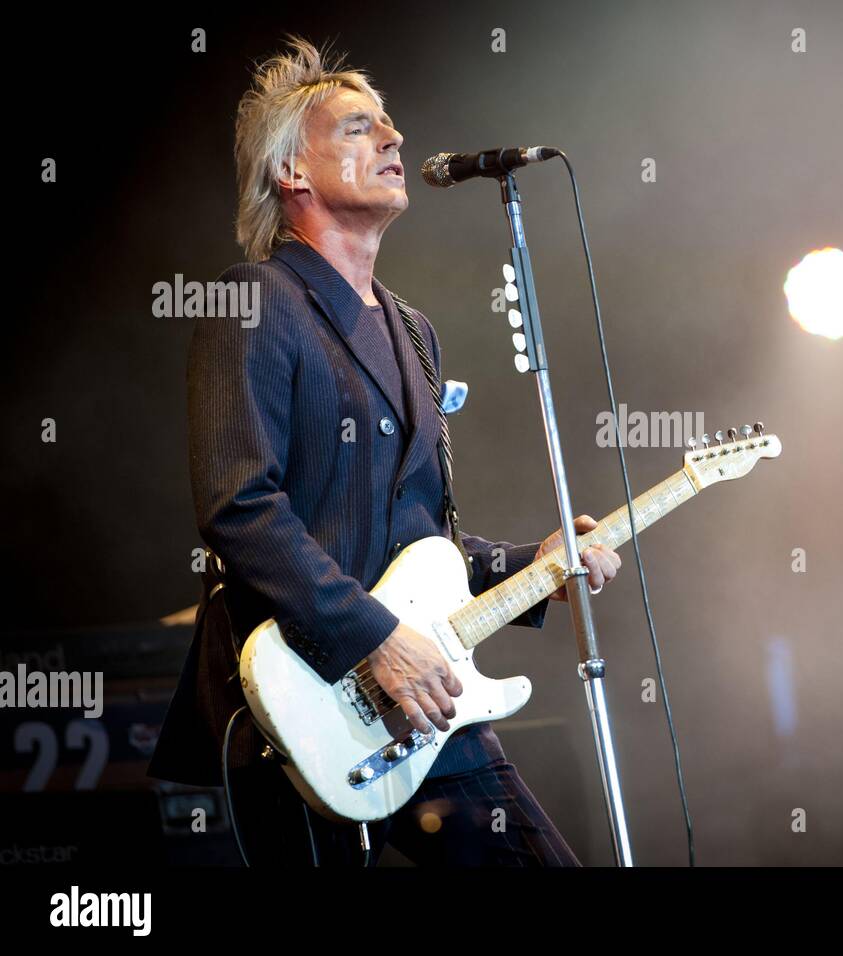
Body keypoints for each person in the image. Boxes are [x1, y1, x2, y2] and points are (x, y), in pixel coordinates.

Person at [147, 35, 620, 866]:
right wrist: (374, 637)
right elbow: (239, 507)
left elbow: (412, 536)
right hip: (293, 706)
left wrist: (530, 563)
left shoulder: (413, 329)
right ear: (292, 171)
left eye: (390, 126)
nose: (395, 139)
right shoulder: (254, 301)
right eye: (362, 128)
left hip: (419, 693)